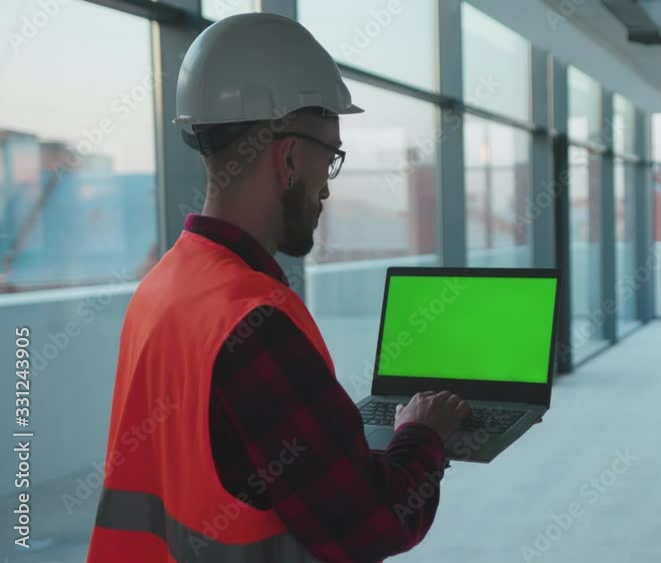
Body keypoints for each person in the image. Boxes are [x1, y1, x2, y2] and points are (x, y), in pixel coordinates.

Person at [87, 13, 472, 563]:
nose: (327, 189)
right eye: (330, 159)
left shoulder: (165, 285)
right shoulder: (252, 322)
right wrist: (423, 434)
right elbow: (372, 525)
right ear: (290, 158)